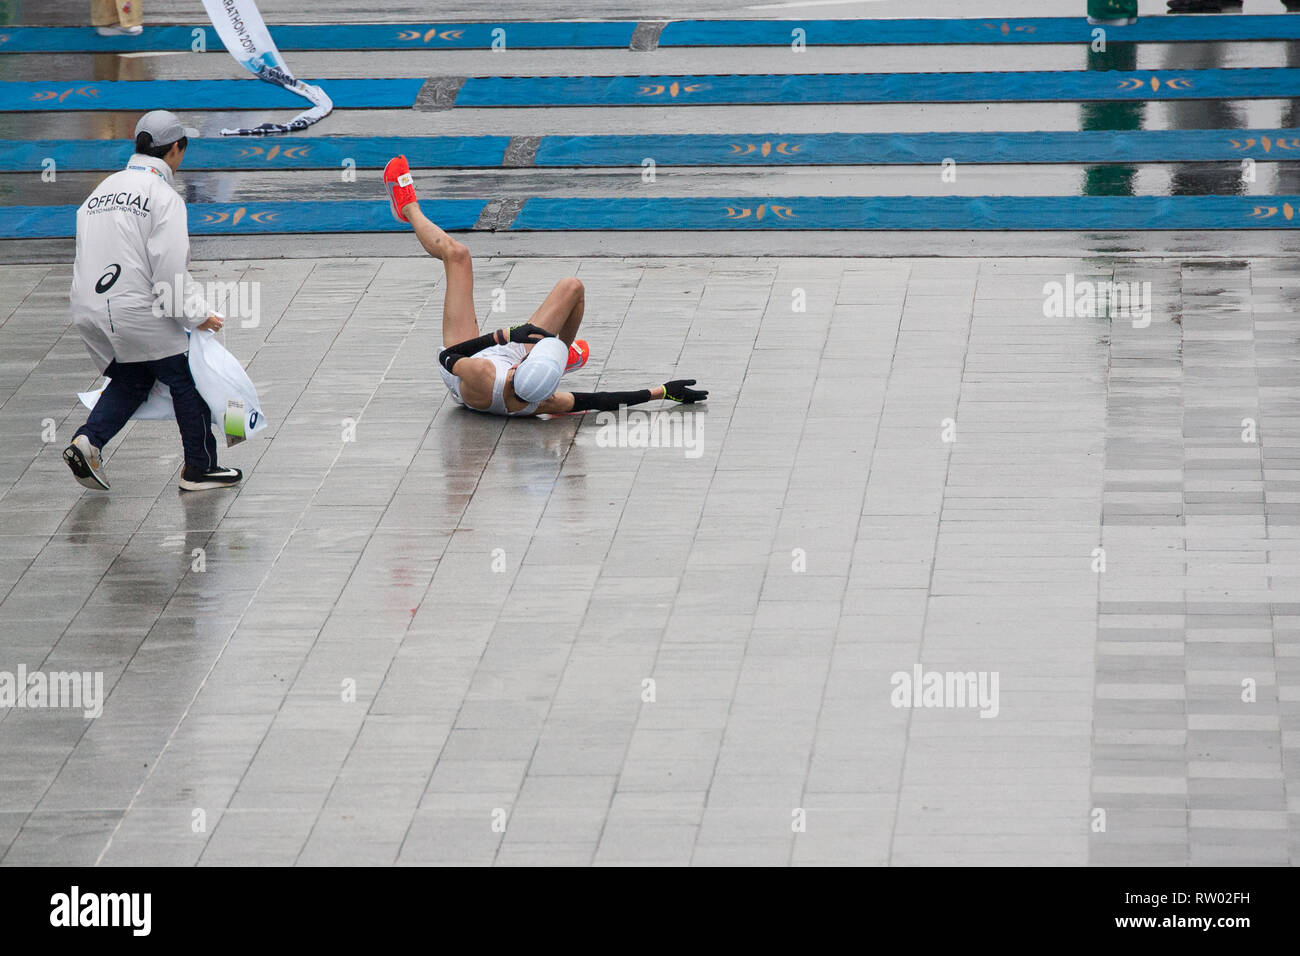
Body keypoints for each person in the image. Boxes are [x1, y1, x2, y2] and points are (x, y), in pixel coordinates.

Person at [381, 155, 708, 418]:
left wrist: (508, 335)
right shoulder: (545, 400)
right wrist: (663, 391)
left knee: (457, 255)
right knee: (573, 288)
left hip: (467, 362)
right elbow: (599, 400)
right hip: (515, 368)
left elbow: (449, 357)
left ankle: (407, 207)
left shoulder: (481, 374)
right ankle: (561, 356)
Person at [64, 110, 243, 493]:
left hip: (90, 306)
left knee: (135, 376)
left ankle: (89, 440)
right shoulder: (163, 197)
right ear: (176, 149)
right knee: (186, 375)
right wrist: (197, 316)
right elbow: (169, 271)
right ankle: (199, 467)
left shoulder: (102, 190)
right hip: (137, 307)